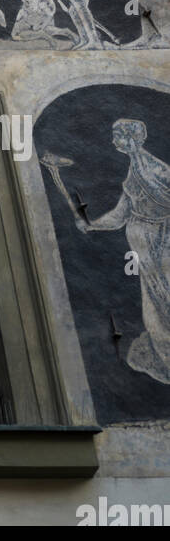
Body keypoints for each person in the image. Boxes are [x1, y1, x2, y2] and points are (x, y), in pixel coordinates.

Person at [77, 120, 170, 384]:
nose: (114, 141)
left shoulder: (157, 171)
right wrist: (92, 225)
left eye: (118, 136)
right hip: (145, 253)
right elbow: (121, 214)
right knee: (154, 308)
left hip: (161, 245)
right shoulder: (134, 172)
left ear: (132, 139)